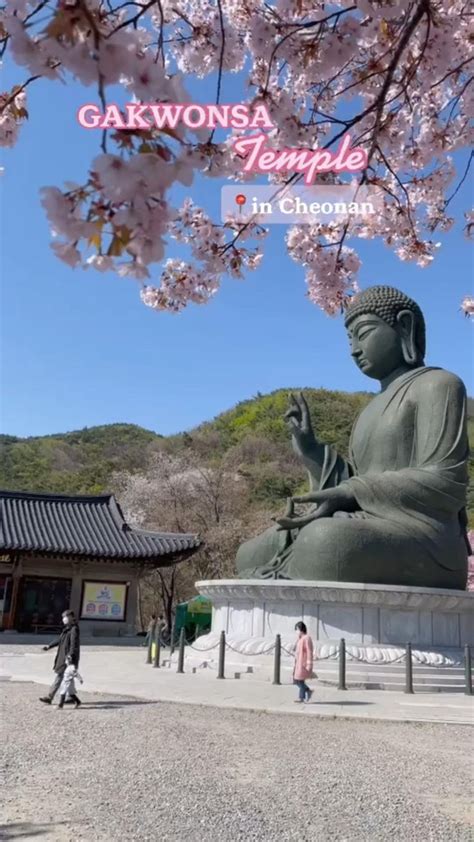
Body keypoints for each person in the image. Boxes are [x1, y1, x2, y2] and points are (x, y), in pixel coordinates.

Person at [236, 286, 469, 588]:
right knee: (252, 552)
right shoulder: (367, 411)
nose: (354, 349)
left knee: (324, 540)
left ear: (405, 324)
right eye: (349, 340)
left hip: (425, 535)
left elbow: (445, 483)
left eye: (364, 333)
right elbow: (354, 482)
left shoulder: (439, 385)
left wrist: (352, 491)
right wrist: (312, 451)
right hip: (371, 521)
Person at [39, 609, 80, 705]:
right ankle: (71, 697)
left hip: (68, 657)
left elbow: (74, 644)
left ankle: (50, 696)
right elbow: (59, 639)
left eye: (65, 616)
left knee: (60, 675)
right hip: (63, 656)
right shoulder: (66, 629)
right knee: (68, 677)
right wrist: (49, 646)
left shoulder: (74, 629)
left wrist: (70, 655)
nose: (64, 619)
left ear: (71, 617)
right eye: (63, 617)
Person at [293, 621, 314, 704]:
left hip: (303, 663)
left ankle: (303, 695)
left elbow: (309, 651)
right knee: (298, 680)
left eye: (296, 629)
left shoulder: (306, 638)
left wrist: (309, 663)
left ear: (300, 629)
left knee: (299, 680)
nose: (296, 631)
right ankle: (306, 692)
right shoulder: (301, 638)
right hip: (299, 662)